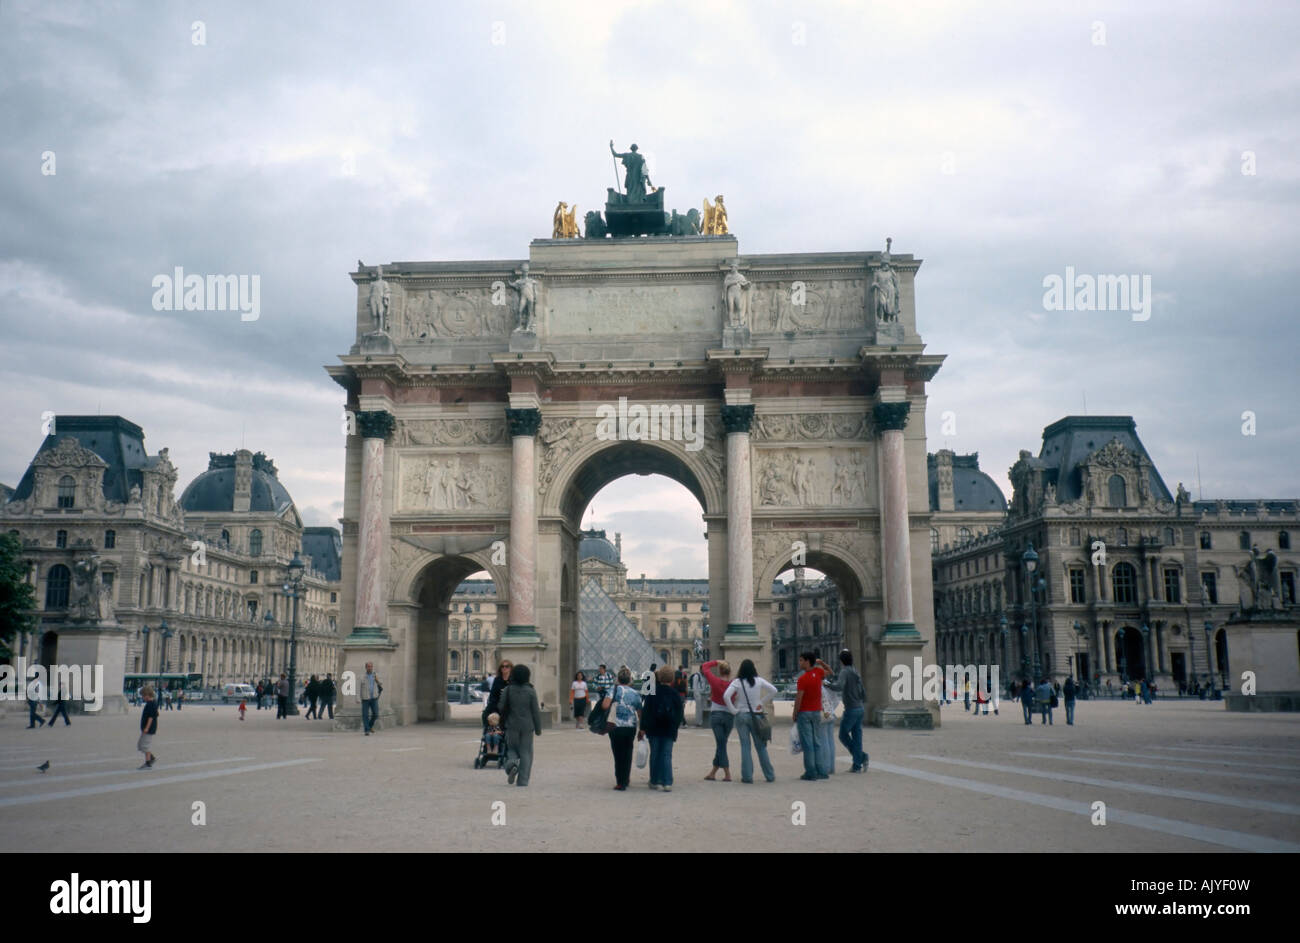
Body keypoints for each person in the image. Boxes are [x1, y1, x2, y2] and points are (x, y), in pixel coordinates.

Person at [723, 659, 777, 783]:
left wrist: (733, 710)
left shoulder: (737, 682)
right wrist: (761, 702)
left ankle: (747, 776)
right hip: (756, 715)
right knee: (761, 747)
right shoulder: (758, 681)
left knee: (745, 747)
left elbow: (726, 696)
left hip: (741, 714)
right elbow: (774, 690)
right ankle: (769, 775)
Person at [820, 650, 868, 772]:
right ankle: (857, 765)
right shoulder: (854, 670)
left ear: (841, 661)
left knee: (842, 735)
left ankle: (861, 756)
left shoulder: (845, 671)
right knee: (857, 737)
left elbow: (839, 686)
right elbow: (862, 689)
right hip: (859, 707)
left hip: (851, 708)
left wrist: (827, 684)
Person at [641, 666, 684, 791]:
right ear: (672, 679)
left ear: (659, 677)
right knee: (666, 755)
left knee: (655, 754)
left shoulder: (652, 692)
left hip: (654, 728)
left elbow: (646, 712)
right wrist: (675, 726)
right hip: (669, 729)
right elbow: (679, 713)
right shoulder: (675, 693)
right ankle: (667, 782)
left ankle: (655, 781)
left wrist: (643, 728)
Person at [499, 664, 543, 787]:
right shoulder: (531, 691)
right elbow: (535, 711)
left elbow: (501, 706)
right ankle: (523, 781)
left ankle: (512, 765)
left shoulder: (508, 690)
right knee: (526, 752)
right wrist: (538, 728)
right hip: (527, 726)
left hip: (512, 725)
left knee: (512, 749)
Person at [601, 668, 642, 790]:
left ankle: (620, 781)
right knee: (628, 752)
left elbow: (605, 706)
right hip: (630, 727)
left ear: (617, 679)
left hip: (615, 726)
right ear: (630, 680)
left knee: (618, 754)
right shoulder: (635, 693)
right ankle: (626, 778)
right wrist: (642, 729)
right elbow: (640, 713)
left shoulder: (612, 690)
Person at [792, 652, 828, 780]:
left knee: (808, 744)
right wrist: (821, 663)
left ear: (807, 662)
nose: (800, 663)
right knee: (817, 742)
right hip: (816, 711)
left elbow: (799, 698)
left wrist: (795, 712)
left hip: (805, 712)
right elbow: (831, 672)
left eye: (801, 660)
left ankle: (810, 772)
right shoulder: (819, 673)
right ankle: (822, 771)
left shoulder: (802, 679)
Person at [700, 659, 734, 782]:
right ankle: (713, 772)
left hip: (716, 715)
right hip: (729, 716)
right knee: (722, 744)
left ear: (719, 671)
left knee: (721, 744)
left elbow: (704, 666)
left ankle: (727, 773)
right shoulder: (734, 684)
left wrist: (716, 662)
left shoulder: (714, 681)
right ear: (730, 673)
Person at [484, 660, 513, 728]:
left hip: (509, 705)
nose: (504, 668)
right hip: (497, 704)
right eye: (502, 666)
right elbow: (493, 695)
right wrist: (494, 709)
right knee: (485, 714)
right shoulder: (497, 680)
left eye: (507, 666)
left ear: (511, 668)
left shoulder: (513, 680)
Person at [137, 685, 159, 769]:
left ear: (147, 695)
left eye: (143, 695)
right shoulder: (150, 703)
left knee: (145, 746)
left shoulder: (152, 704)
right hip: (146, 728)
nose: (142, 697)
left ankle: (148, 763)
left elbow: (151, 717)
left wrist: (146, 728)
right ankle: (151, 758)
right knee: (141, 745)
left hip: (149, 728)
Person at [361, 662, 382, 734]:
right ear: (366, 667)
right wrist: (357, 698)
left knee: (376, 714)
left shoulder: (375, 675)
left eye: (371, 667)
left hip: (374, 697)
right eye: (368, 667)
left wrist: (377, 680)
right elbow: (358, 687)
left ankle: (370, 726)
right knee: (365, 714)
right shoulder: (362, 676)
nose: (370, 668)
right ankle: (367, 730)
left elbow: (381, 684)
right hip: (365, 698)